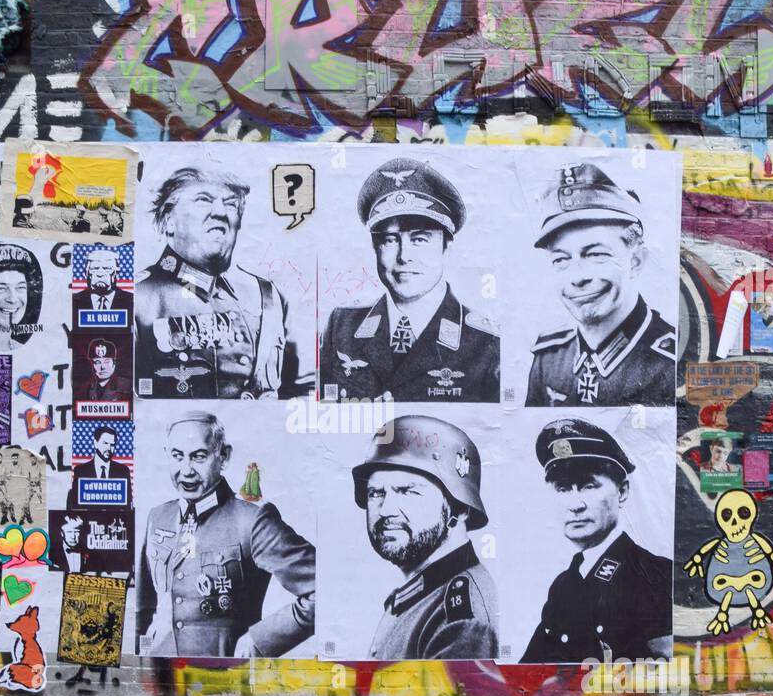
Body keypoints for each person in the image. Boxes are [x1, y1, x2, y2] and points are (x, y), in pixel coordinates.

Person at [320, 158, 499, 403]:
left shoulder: (485, 343)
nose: (404, 257)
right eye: (390, 240)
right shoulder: (342, 326)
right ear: (375, 247)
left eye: (420, 239)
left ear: (446, 247)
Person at [137, 412, 315, 657]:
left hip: (222, 682)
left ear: (224, 456)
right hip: (161, 678)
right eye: (177, 456)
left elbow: (323, 588)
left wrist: (258, 641)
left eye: (199, 457)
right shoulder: (158, 516)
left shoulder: (252, 521)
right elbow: (144, 608)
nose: (186, 470)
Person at [135, 166, 302, 399]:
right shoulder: (137, 297)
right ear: (169, 220)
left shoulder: (267, 294)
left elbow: (302, 391)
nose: (221, 213)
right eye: (203, 200)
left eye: (231, 204)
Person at [520, 418, 673, 663]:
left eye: (589, 486)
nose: (575, 504)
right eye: (563, 489)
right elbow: (529, 673)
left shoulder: (656, 576)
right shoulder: (563, 585)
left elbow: (668, 674)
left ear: (622, 492)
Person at [527, 163, 676, 407]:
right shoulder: (549, 358)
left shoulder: (671, 363)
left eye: (596, 254)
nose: (577, 277)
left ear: (636, 261)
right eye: (561, 259)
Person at [352, 415, 499, 659]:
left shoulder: (460, 617)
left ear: (460, 508)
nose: (386, 510)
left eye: (408, 491)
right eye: (376, 493)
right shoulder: (423, 595)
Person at [67, 425, 130, 508]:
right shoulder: (81, 470)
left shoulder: (123, 471)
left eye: (112, 445)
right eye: (105, 443)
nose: (109, 448)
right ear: (95, 443)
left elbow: (128, 507)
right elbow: (76, 506)